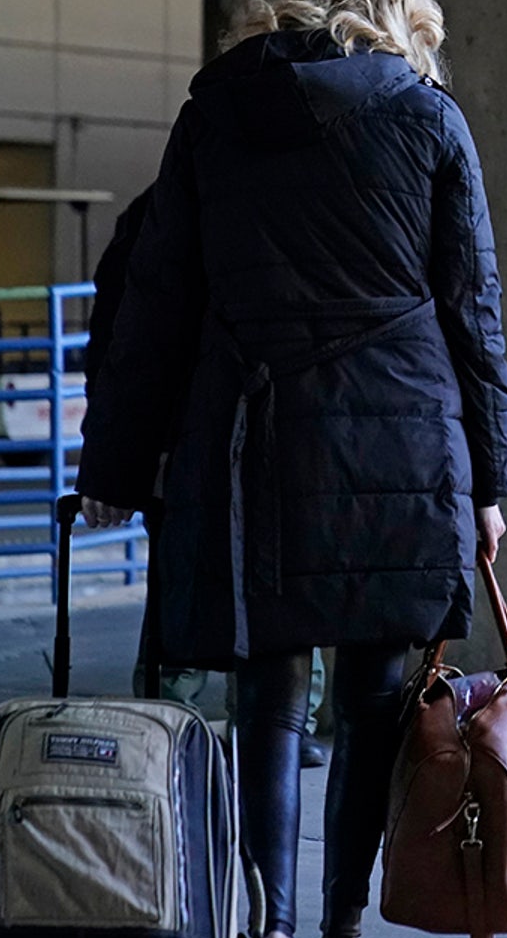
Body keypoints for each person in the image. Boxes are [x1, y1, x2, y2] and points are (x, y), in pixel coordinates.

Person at [75, 0, 507, 938]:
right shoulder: (427, 118)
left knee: (266, 698)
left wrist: (118, 465)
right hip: (402, 445)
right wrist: (492, 478)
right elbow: (473, 313)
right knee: (371, 706)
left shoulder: (214, 113)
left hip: (250, 438)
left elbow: (157, 301)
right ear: (403, 12)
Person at [88, 191, 331, 769]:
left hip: (200, 434)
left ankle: (173, 722)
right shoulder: (264, 203)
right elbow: (120, 349)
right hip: (204, 434)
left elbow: (114, 348)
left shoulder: (154, 216)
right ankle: (269, 721)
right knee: (267, 579)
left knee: (187, 579)